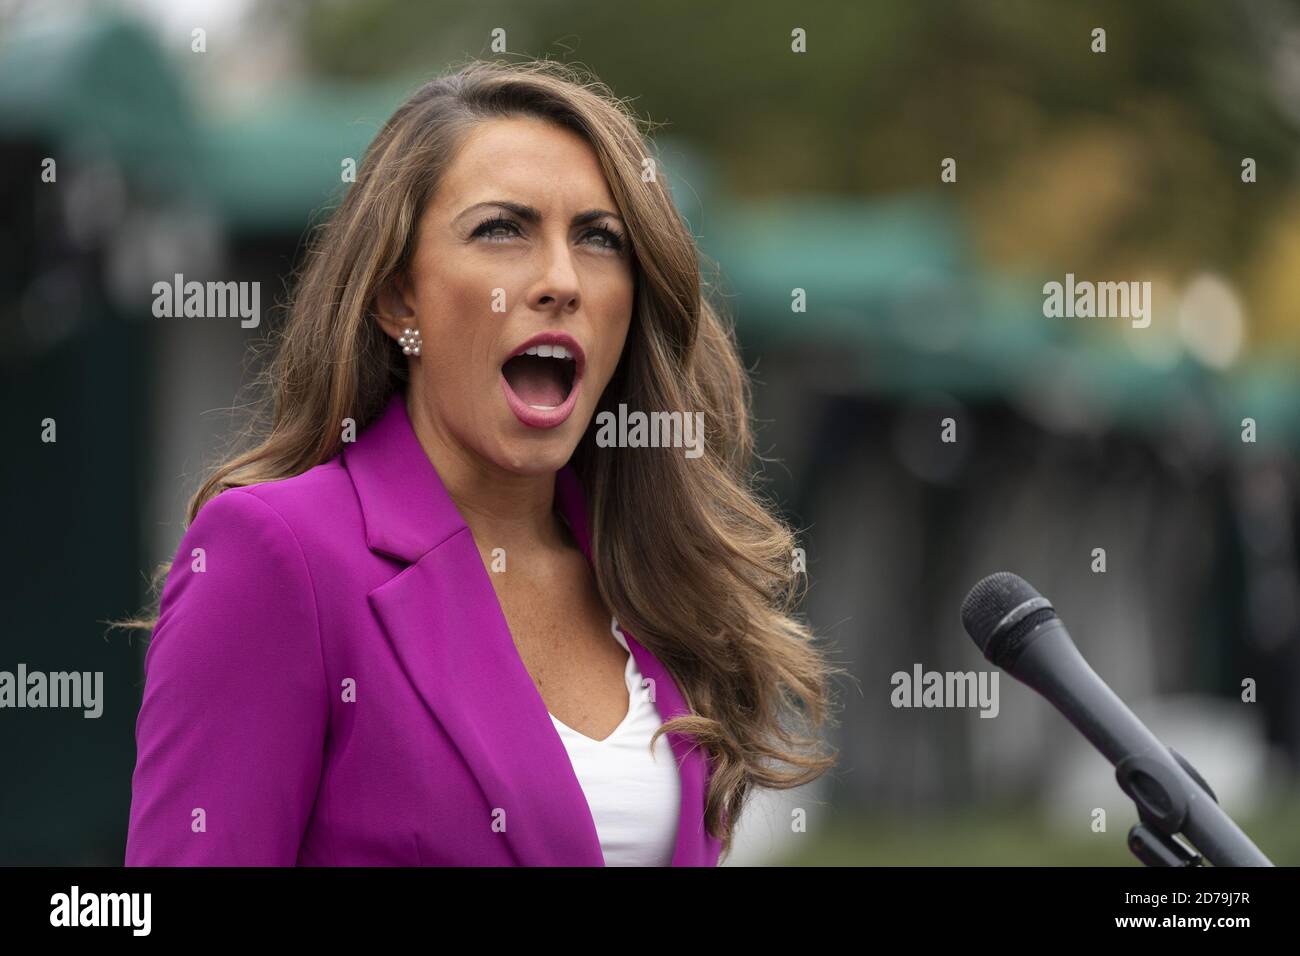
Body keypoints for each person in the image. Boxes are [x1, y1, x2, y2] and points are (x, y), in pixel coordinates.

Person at [122, 58, 837, 866]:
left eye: (600, 240)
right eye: (502, 229)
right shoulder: (276, 556)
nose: (561, 281)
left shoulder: (657, 576)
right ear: (399, 298)